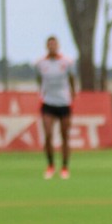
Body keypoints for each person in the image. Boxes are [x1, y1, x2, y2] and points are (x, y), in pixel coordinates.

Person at [34, 35, 77, 180]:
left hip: (64, 102)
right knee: (48, 134)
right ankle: (50, 165)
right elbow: (39, 79)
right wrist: (42, 92)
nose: (52, 46)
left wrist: (73, 93)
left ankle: (65, 167)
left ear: (58, 45)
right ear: (47, 46)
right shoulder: (40, 63)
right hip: (48, 102)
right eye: (49, 44)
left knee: (65, 136)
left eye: (54, 44)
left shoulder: (67, 62)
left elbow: (72, 79)